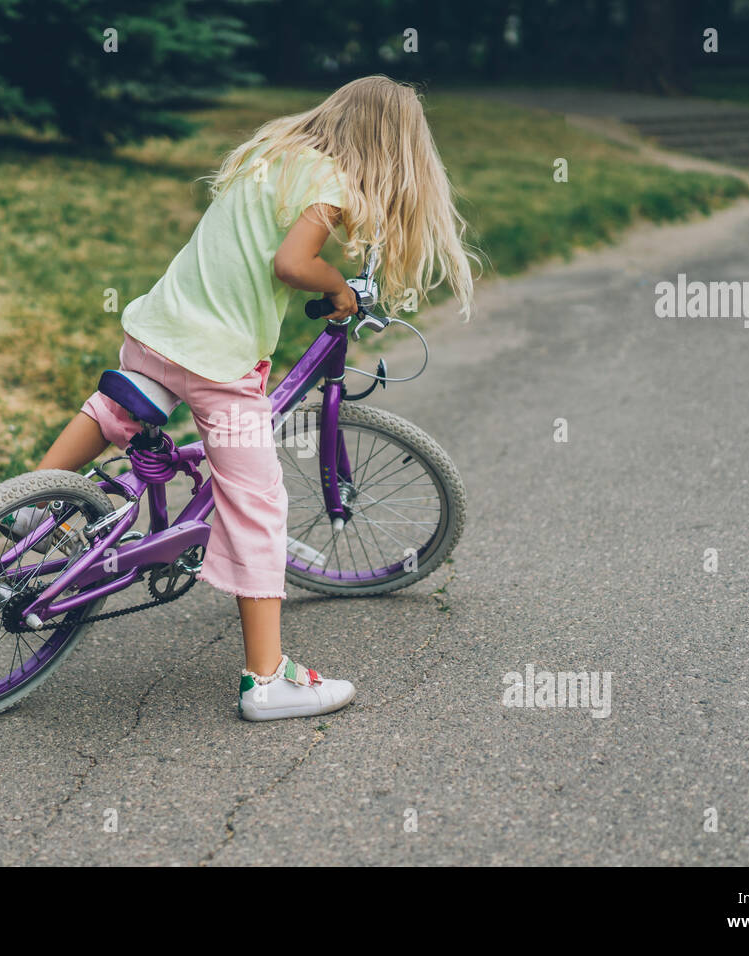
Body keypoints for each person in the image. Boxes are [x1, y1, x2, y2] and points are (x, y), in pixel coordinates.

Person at [34, 76, 477, 720]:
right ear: (391, 147)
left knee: (116, 411)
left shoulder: (268, 157)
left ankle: (32, 503)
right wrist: (341, 289)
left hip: (155, 330)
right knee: (258, 501)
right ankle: (266, 681)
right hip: (218, 366)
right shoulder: (330, 183)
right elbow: (293, 265)